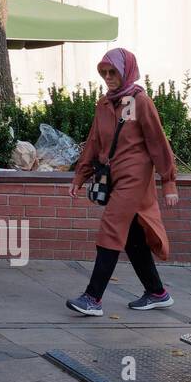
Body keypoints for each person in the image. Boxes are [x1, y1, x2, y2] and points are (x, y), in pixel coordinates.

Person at [66, 48, 179, 316]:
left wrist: (169, 182)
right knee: (132, 237)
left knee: (112, 226)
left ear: (126, 70)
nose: (107, 77)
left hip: (135, 177)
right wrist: (80, 176)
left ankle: (92, 298)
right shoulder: (105, 104)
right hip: (113, 176)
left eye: (112, 71)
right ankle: (157, 292)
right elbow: (94, 141)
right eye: (104, 72)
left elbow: (157, 142)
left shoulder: (138, 101)